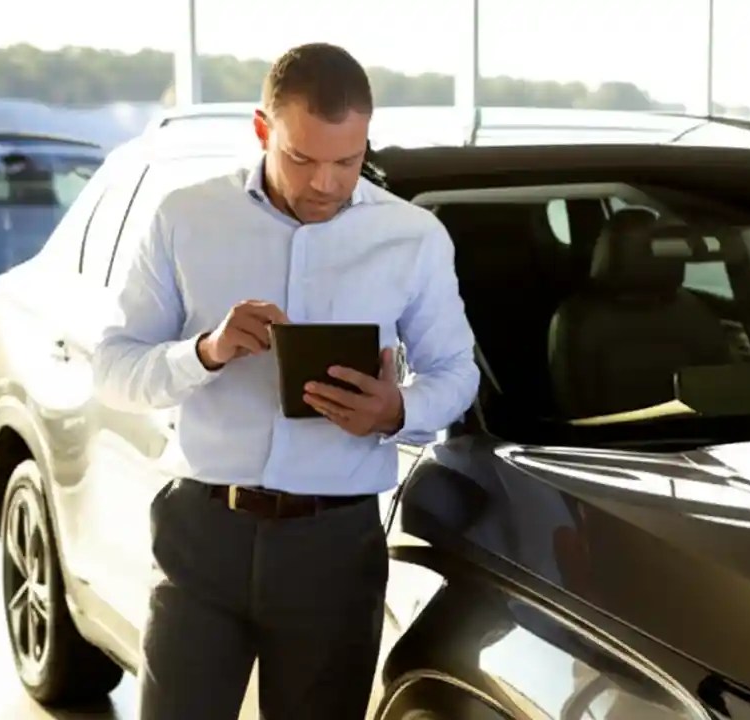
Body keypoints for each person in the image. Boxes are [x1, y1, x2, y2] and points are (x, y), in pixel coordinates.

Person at [91, 42, 479, 719]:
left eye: (347, 161)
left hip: (333, 548)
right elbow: (115, 370)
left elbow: (456, 375)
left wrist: (395, 410)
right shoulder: (185, 217)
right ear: (263, 129)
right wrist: (205, 352)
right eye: (303, 158)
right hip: (199, 537)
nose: (326, 183)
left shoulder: (413, 238)